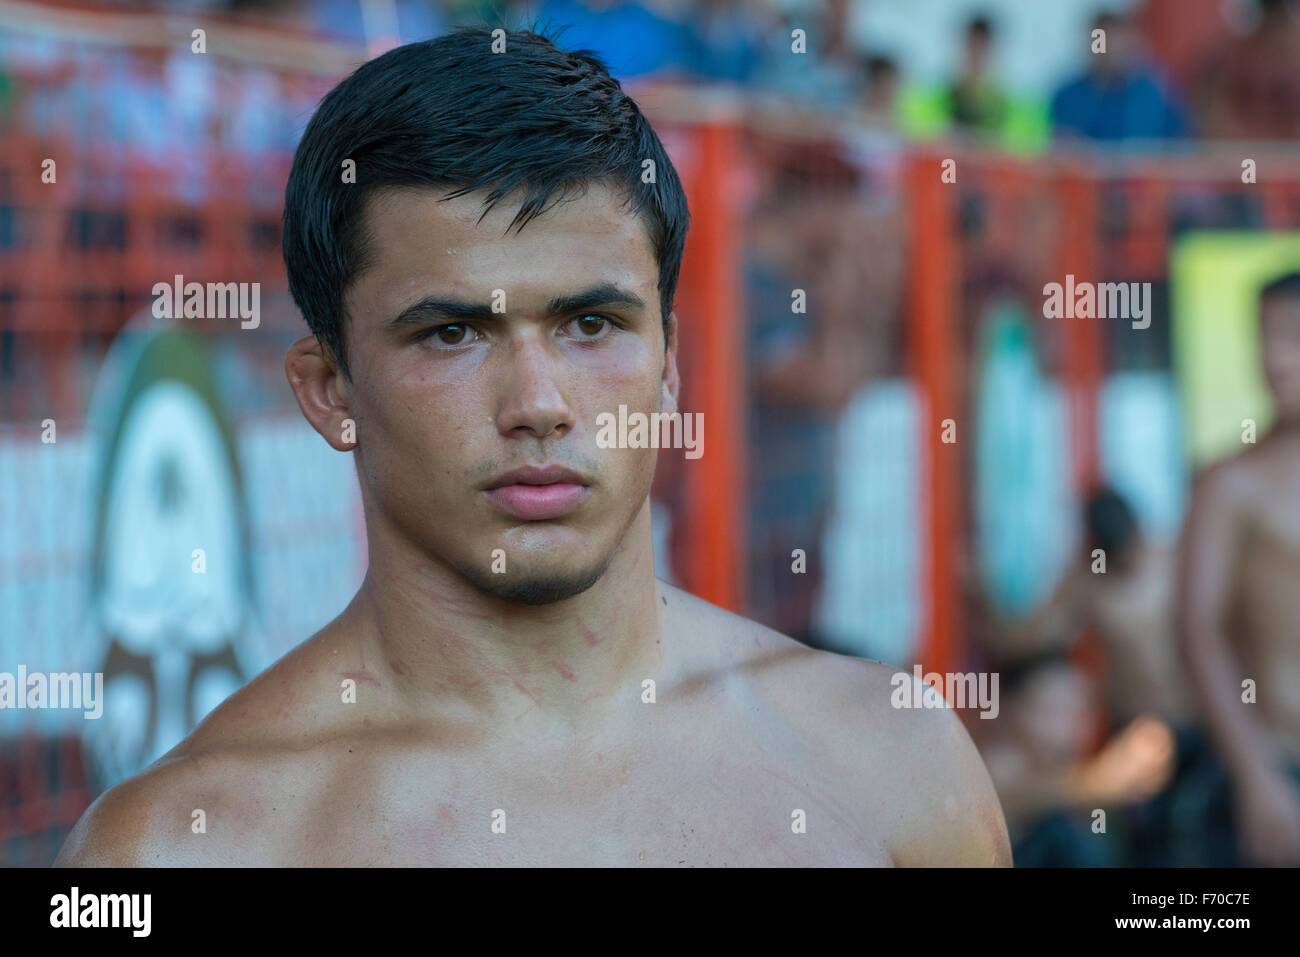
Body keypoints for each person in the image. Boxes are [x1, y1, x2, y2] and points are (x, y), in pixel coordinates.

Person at [55, 26, 1009, 867]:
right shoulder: (179, 847)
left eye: (592, 323)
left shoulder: (895, 758)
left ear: (671, 364)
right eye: (451, 334)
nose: (540, 404)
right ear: (328, 388)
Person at [1177, 270, 1300, 867]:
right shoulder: (1232, 483)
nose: (1274, 357)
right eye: (1265, 337)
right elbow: (1198, 633)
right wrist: (1257, 778)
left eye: (1293, 336)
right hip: (1280, 768)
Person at [1049, 10, 1191, 142]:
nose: (1110, 49)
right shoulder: (1067, 96)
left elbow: (1178, 144)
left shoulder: (1152, 95)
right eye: (1102, 42)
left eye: (1117, 40)